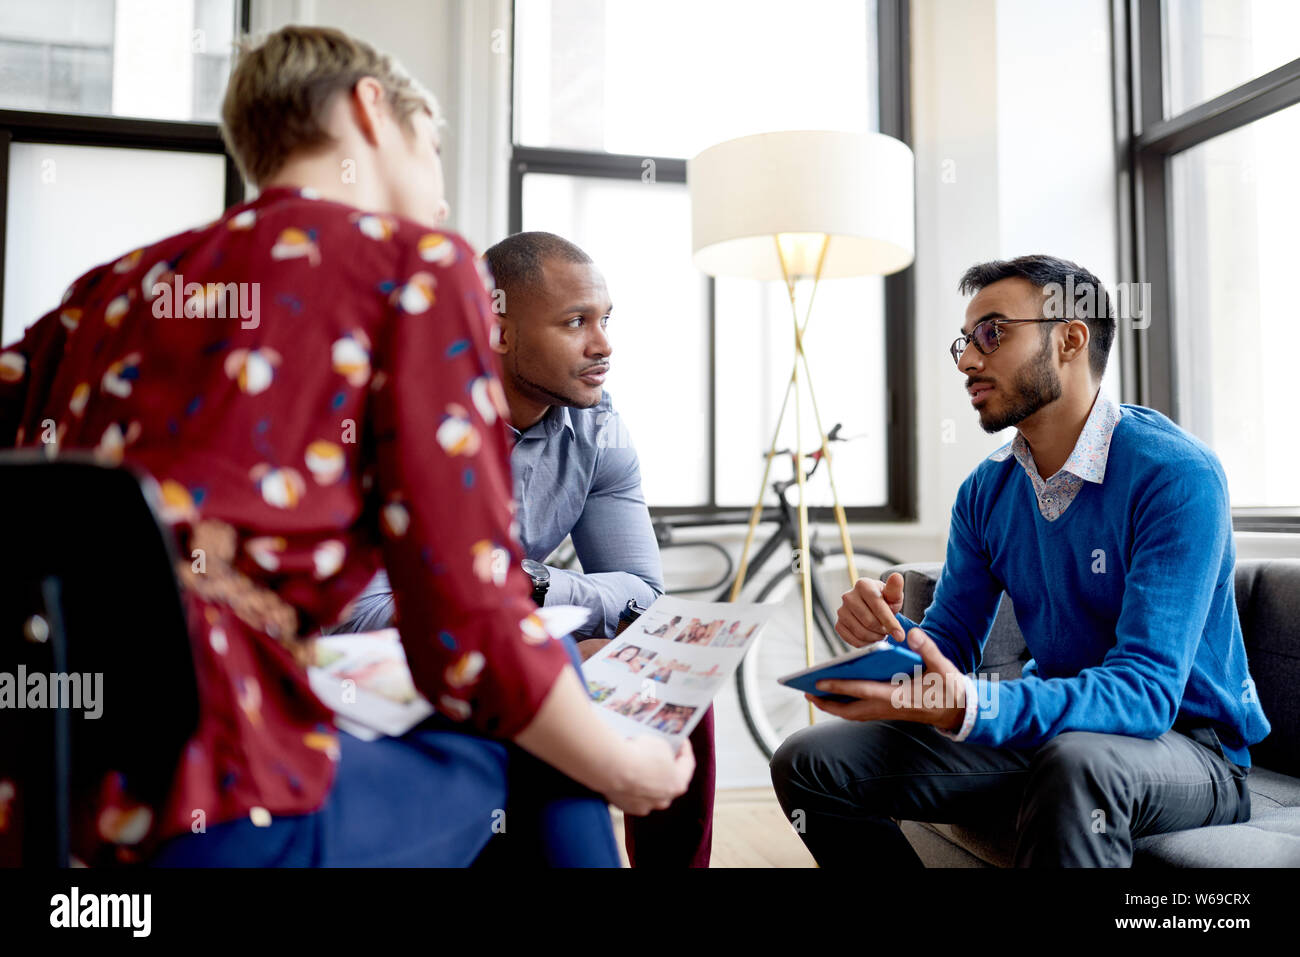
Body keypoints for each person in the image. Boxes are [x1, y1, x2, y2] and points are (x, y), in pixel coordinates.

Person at [0, 25, 692, 867]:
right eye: (431, 148)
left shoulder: (99, 294)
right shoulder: (411, 267)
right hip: (228, 794)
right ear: (372, 110)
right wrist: (629, 764)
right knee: (541, 691)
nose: (439, 199)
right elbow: (475, 632)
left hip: (55, 792)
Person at [770, 254, 1271, 868]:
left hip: (1191, 748)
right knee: (810, 761)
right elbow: (951, 642)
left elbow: (1145, 693)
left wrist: (971, 706)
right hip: (1061, 731)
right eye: (964, 341)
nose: (967, 360)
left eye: (992, 334)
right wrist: (894, 643)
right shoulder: (987, 491)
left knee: (1078, 763)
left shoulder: (1174, 475)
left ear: (1070, 338)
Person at [337, 231, 718, 867]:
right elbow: (363, 613)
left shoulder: (599, 426)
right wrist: (531, 635)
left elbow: (641, 593)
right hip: (395, 665)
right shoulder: (408, 420)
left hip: (516, 637)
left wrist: (534, 587)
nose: (604, 346)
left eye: (605, 320)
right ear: (499, 330)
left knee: (674, 683)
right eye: (576, 323)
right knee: (551, 682)